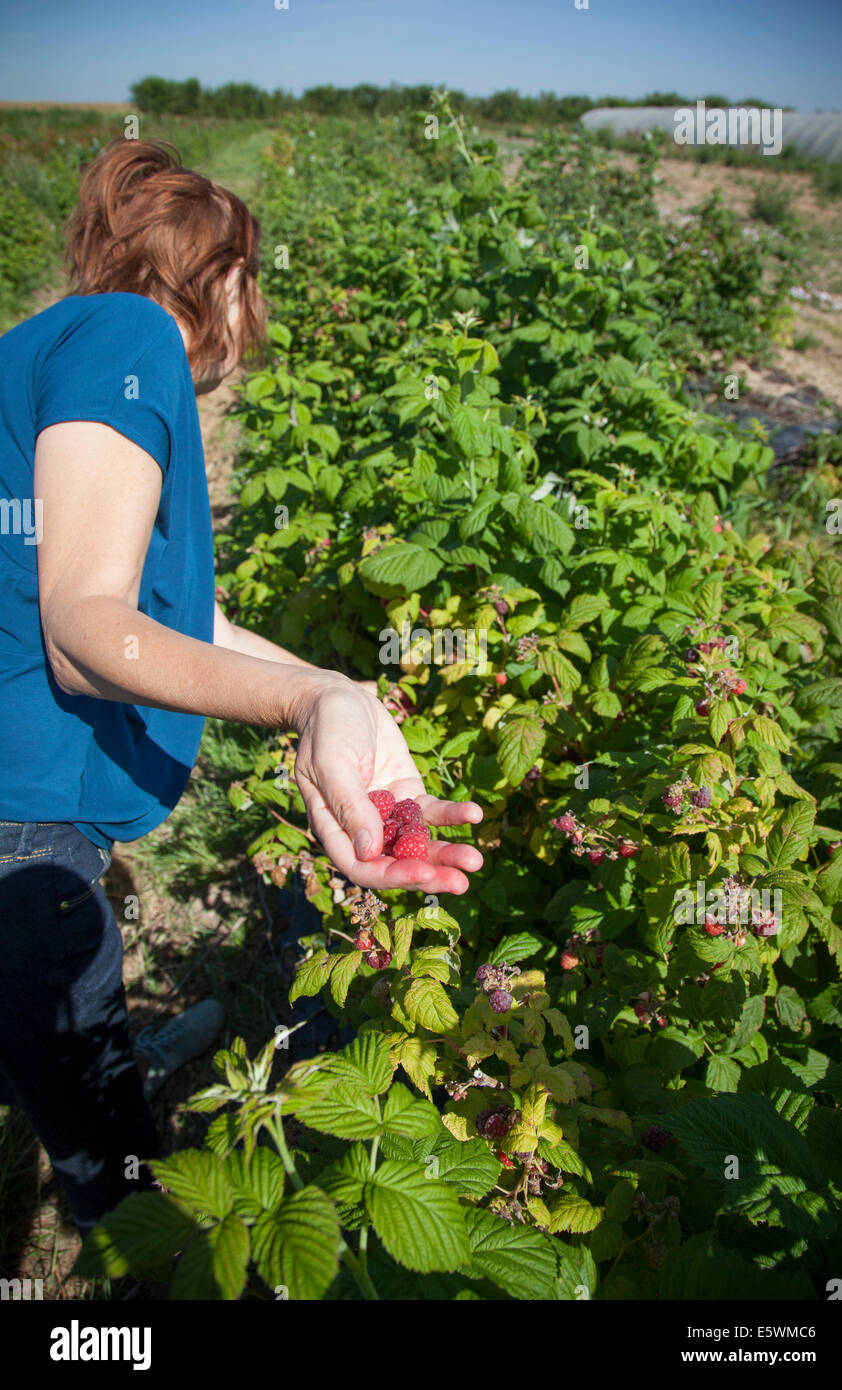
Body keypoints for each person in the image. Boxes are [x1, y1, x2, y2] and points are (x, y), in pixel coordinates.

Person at [0, 138, 483, 1235]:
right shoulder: (124, 337)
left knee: (51, 1034)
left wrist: (334, 684)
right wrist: (308, 708)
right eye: (247, 279)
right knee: (108, 1160)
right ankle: (132, 1273)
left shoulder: (50, 353)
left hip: (23, 815)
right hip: (17, 833)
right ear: (218, 277)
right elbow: (87, 629)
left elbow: (175, 620)